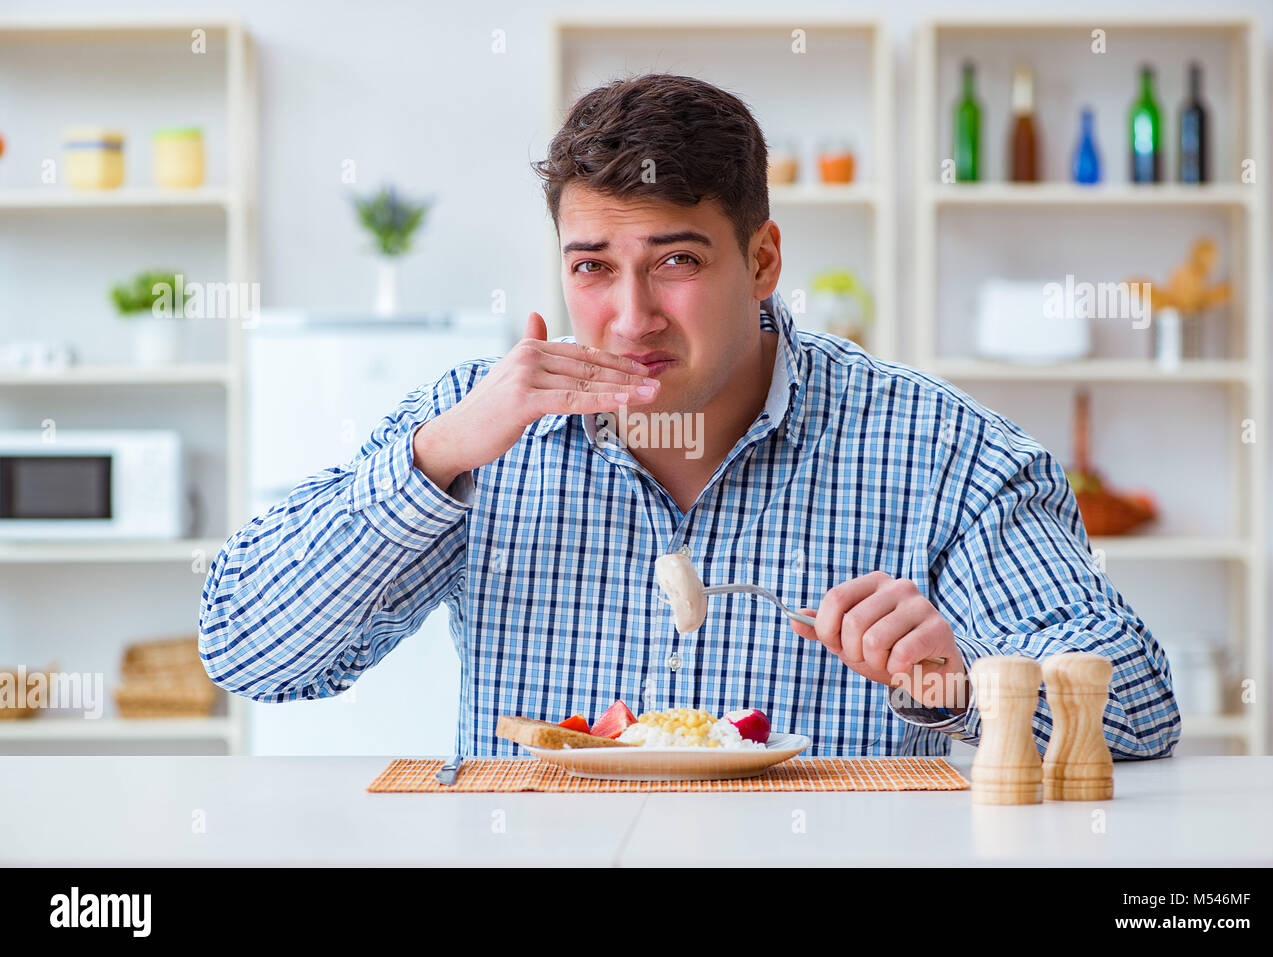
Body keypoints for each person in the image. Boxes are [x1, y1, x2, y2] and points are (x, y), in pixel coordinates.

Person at [199, 73, 1180, 759]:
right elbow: (250, 654)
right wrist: (442, 454)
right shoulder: (472, 434)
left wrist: (960, 682)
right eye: (591, 268)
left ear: (761, 262)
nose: (630, 319)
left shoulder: (944, 452)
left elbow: (1137, 715)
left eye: (676, 261)